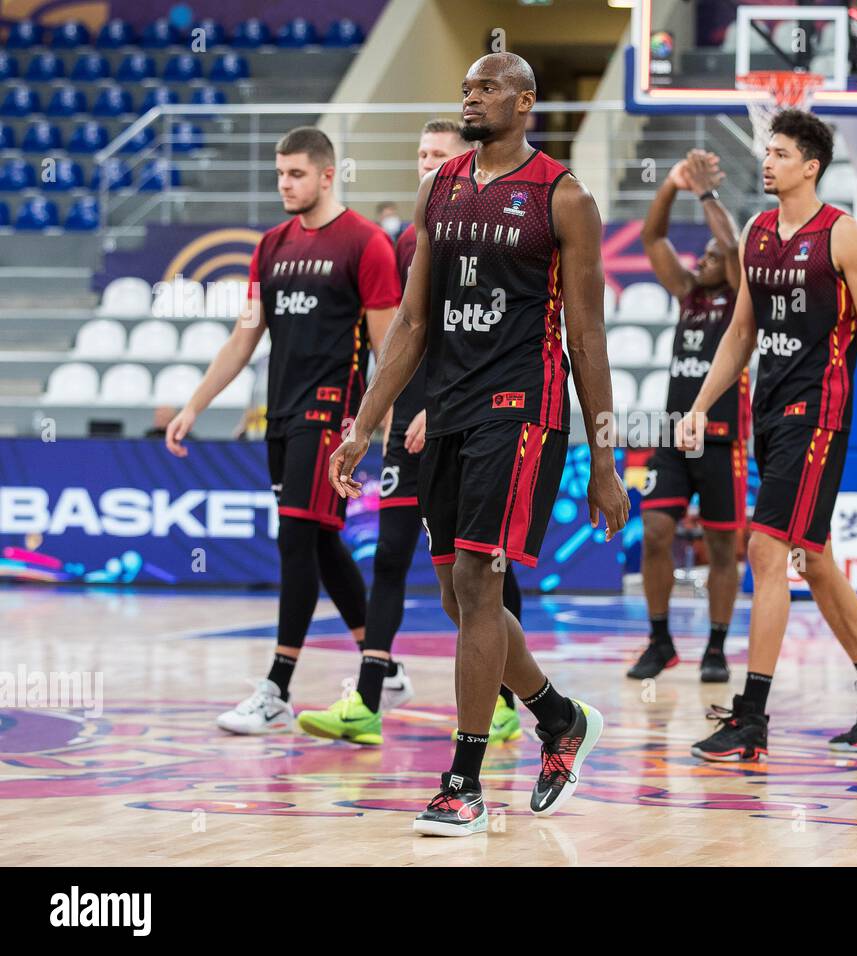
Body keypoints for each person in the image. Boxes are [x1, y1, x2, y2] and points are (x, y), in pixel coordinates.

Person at [328, 53, 629, 835]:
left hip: (524, 409)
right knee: (460, 595)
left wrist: (604, 457)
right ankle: (559, 717)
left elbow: (588, 335)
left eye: (487, 87)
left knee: (477, 576)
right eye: (465, 87)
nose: (472, 97)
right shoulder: (441, 188)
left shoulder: (564, 196)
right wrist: (363, 425)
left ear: (526, 103)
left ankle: (463, 781)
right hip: (450, 409)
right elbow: (413, 325)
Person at [676, 109, 857, 760]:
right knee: (811, 560)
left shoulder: (846, 237)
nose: (768, 161)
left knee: (766, 551)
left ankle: (751, 718)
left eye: (781, 153)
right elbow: (740, 336)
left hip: (818, 415)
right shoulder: (757, 231)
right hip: (769, 412)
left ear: (811, 166)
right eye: (767, 151)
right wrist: (702, 404)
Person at [165, 127, 403, 733]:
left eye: (296, 174)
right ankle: (386, 666)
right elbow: (245, 337)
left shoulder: (366, 245)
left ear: (327, 175)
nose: (285, 185)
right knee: (320, 541)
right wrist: (195, 402)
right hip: (281, 414)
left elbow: (389, 349)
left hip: (333, 416)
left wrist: (388, 427)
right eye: (279, 174)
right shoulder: (270, 245)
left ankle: (276, 688)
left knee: (295, 537)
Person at [297, 121, 524, 746]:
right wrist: (382, 412)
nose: (427, 163)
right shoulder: (410, 239)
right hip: (411, 419)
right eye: (419, 153)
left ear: (465, 162)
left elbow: (479, 338)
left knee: (484, 569)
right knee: (392, 554)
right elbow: (406, 336)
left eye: (438, 155)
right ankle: (368, 699)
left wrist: (443, 406)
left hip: (466, 418)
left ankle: (504, 700)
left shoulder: (491, 234)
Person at [629, 148, 745, 684]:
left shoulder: (741, 298)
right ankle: (660, 640)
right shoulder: (688, 296)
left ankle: (716, 648)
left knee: (723, 547)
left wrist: (704, 192)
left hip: (723, 438)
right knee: (655, 530)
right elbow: (653, 240)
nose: (703, 262)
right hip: (675, 435)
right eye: (700, 260)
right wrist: (671, 185)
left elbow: (733, 246)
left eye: (710, 261)